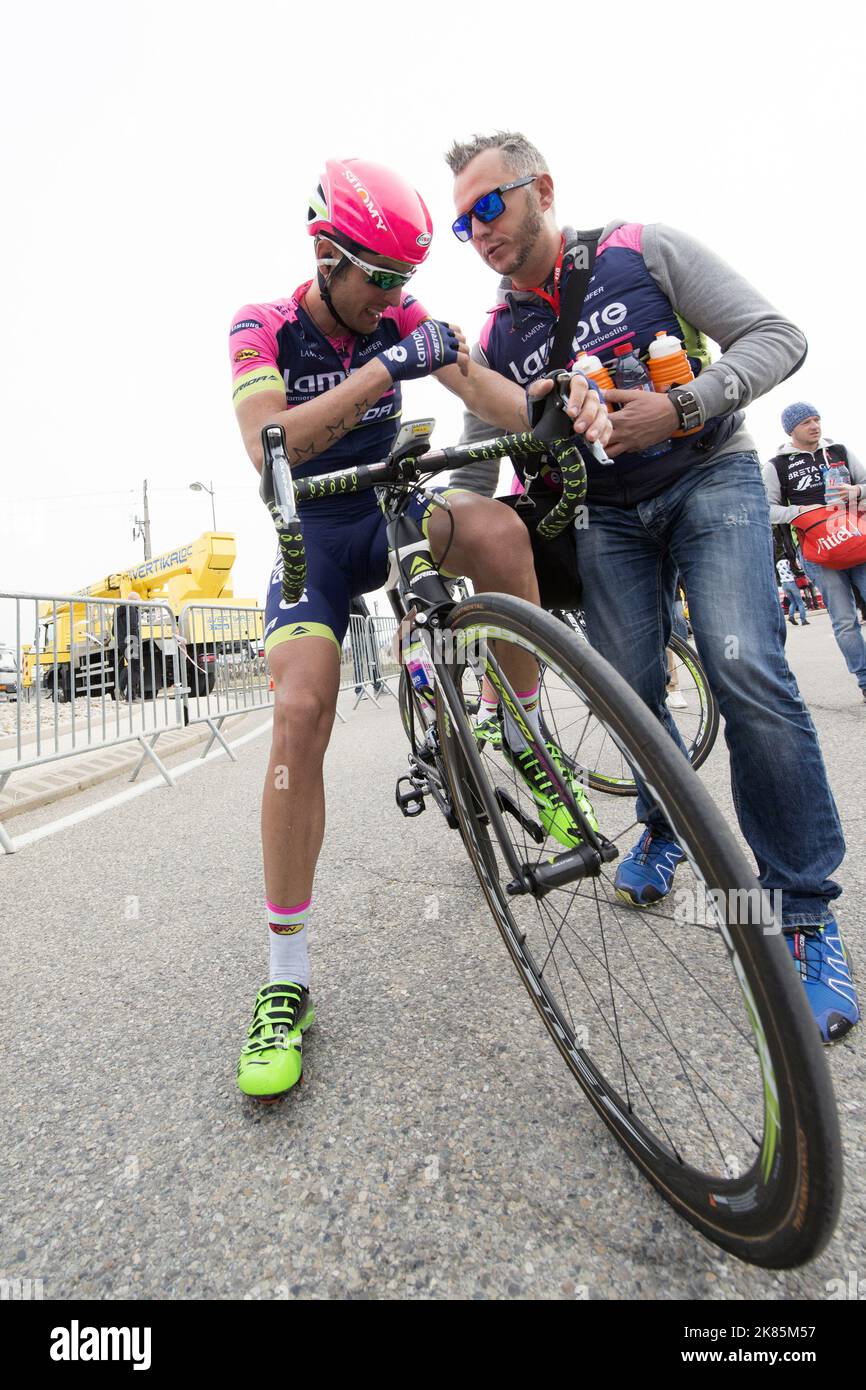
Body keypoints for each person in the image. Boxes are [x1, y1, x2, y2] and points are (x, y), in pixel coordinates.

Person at [445, 130, 859, 1043]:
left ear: (541, 188)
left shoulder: (642, 248)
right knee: (628, 693)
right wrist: (428, 542)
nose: (478, 231)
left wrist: (682, 405)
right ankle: (665, 829)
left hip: (711, 477)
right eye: (461, 222)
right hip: (606, 519)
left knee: (745, 669)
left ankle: (801, 914)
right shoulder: (498, 336)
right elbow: (474, 471)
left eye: (489, 206)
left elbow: (779, 336)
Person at [229, 158, 610, 1101]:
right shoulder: (260, 325)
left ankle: (518, 732)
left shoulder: (399, 317)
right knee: (301, 713)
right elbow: (271, 448)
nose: (393, 297)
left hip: (389, 511)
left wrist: (554, 406)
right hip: (315, 538)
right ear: (326, 255)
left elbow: (484, 392)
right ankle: (285, 980)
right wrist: (381, 372)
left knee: (499, 530)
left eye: (405, 280)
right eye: (379, 278)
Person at [764, 404, 866, 698]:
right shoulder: (777, 465)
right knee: (844, 621)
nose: (814, 426)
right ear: (791, 429)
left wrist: (857, 491)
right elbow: (766, 509)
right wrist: (798, 511)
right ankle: (864, 680)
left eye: (816, 419)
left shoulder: (839, 451)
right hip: (819, 551)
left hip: (857, 539)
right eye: (806, 422)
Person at [776, 554, 809, 625]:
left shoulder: (778, 564)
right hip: (792, 583)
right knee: (800, 602)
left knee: (793, 602)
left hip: (784, 584)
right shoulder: (789, 562)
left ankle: (791, 616)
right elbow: (796, 570)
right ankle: (803, 620)